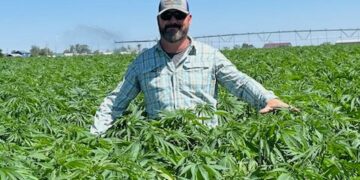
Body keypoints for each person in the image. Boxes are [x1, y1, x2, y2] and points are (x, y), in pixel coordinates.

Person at [90, 0, 297, 135]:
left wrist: (268, 99)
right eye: (167, 16)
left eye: (178, 16)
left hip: (206, 148)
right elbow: (115, 103)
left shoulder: (209, 56)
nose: (172, 21)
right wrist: (94, 137)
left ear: (188, 19)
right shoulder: (142, 62)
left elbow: (240, 83)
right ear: (158, 20)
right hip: (159, 152)